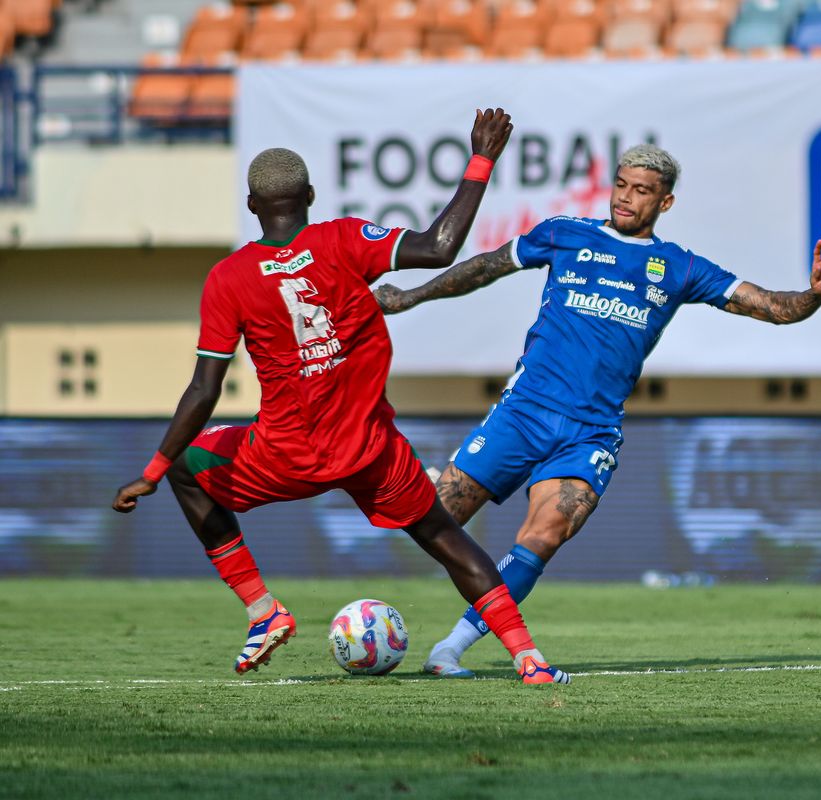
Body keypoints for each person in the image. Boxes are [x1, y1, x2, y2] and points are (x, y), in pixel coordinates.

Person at [111, 109, 570, 685]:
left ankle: (262, 610)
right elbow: (438, 247)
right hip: (369, 449)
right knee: (443, 538)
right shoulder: (343, 239)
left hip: (282, 454)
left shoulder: (228, 278)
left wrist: (152, 470)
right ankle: (528, 658)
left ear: (252, 206)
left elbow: (205, 388)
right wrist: (481, 159)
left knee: (185, 468)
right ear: (309, 194)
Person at [374, 143, 821, 678]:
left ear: (665, 203)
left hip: (588, 433)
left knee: (546, 534)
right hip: (523, 413)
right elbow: (484, 268)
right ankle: (422, 486)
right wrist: (411, 296)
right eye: (621, 184)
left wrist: (813, 297)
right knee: (431, 519)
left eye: (642, 191)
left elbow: (770, 307)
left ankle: (450, 649)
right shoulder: (565, 233)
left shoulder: (679, 267)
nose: (626, 197)